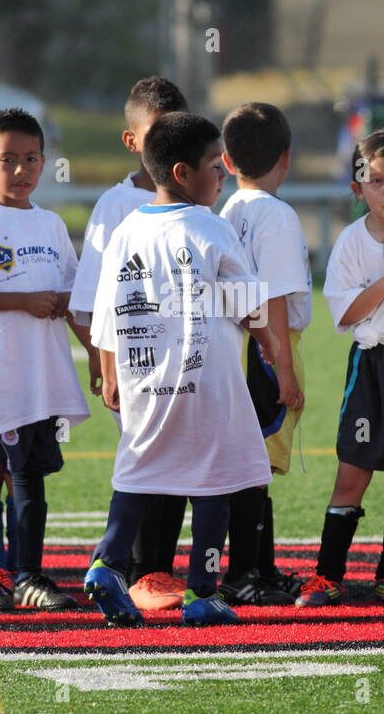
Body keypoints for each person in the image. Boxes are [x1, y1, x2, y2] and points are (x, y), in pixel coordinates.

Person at [84, 111, 277, 627]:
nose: (222, 174)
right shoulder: (209, 227)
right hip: (206, 383)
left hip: (145, 383)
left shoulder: (125, 232)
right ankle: (201, 592)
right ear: (181, 173)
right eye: (215, 165)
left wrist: (110, 374)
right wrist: (274, 352)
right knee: (219, 482)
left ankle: (106, 564)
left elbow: (106, 314)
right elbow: (248, 303)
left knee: (140, 474)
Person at [0, 109, 92, 613]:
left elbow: (71, 296)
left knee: (30, 474)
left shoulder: (50, 225)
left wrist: (95, 354)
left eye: (31, 159)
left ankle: (30, 576)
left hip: (41, 374)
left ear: (44, 163)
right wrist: (23, 302)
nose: (21, 170)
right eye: (8, 160)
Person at [67, 76, 191, 612]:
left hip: (185, 363)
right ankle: (138, 571)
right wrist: (104, 364)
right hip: (137, 365)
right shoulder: (116, 206)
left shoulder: (197, 199)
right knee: (151, 464)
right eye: (155, 134)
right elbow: (87, 302)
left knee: (178, 465)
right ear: (131, 141)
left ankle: (152, 570)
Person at [297, 129, 384, 607]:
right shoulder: (352, 241)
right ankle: (327, 575)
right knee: (352, 473)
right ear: (357, 189)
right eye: (375, 181)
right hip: (373, 365)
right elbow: (346, 314)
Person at [216, 102, 310, 605]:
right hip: (267, 348)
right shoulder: (276, 214)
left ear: (227, 162)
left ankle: (258, 568)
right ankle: (248, 573)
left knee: (248, 462)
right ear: (287, 158)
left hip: (237, 346)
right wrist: (285, 370)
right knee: (256, 466)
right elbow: (272, 297)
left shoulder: (228, 209)